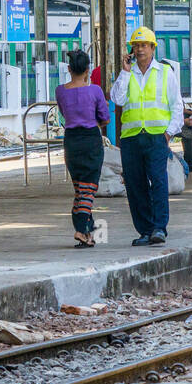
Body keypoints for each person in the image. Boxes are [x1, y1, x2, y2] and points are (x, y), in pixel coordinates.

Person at [111, 26, 184, 245]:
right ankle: (144, 230)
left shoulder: (164, 73)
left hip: (156, 137)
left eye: (144, 45)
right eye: (136, 45)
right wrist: (124, 71)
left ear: (153, 48)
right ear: (131, 49)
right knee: (135, 185)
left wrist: (169, 134)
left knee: (159, 182)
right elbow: (117, 99)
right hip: (132, 137)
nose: (140, 49)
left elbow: (177, 105)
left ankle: (159, 228)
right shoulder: (127, 73)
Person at [56, 49, 109, 247]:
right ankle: (80, 229)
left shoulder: (60, 90)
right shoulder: (95, 91)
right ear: (87, 70)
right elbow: (105, 118)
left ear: (69, 69)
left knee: (80, 188)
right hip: (90, 141)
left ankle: (88, 233)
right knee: (88, 190)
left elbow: (63, 112)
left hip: (71, 141)